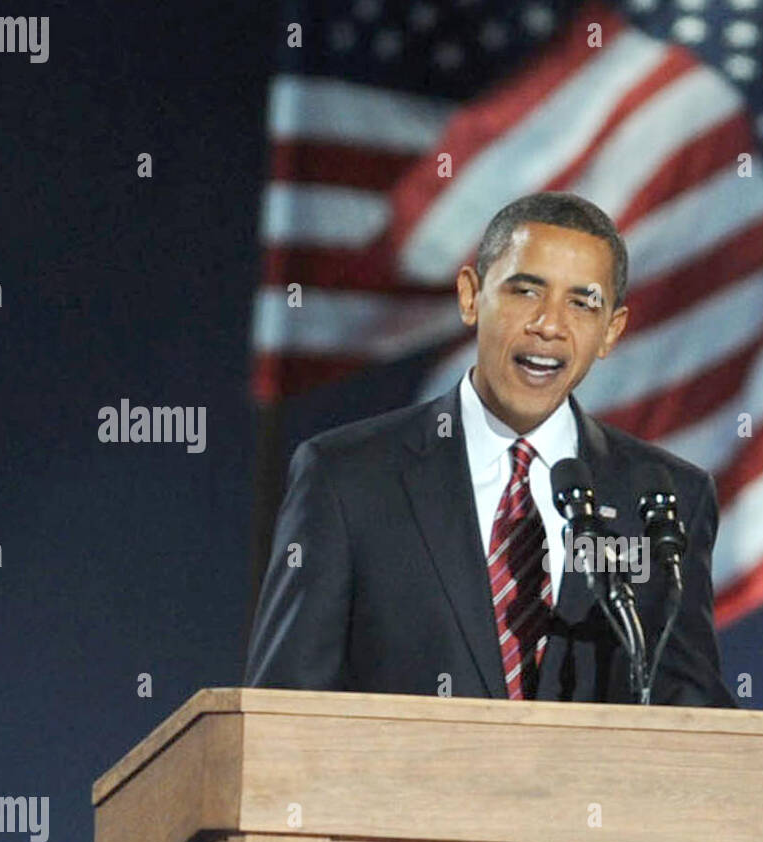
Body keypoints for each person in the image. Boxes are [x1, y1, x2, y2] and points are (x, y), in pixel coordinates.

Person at [245, 192, 734, 707]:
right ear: (471, 296)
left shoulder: (665, 498)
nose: (549, 324)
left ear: (611, 329)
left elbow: (692, 712)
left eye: (582, 303)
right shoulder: (347, 478)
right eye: (526, 291)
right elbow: (287, 708)